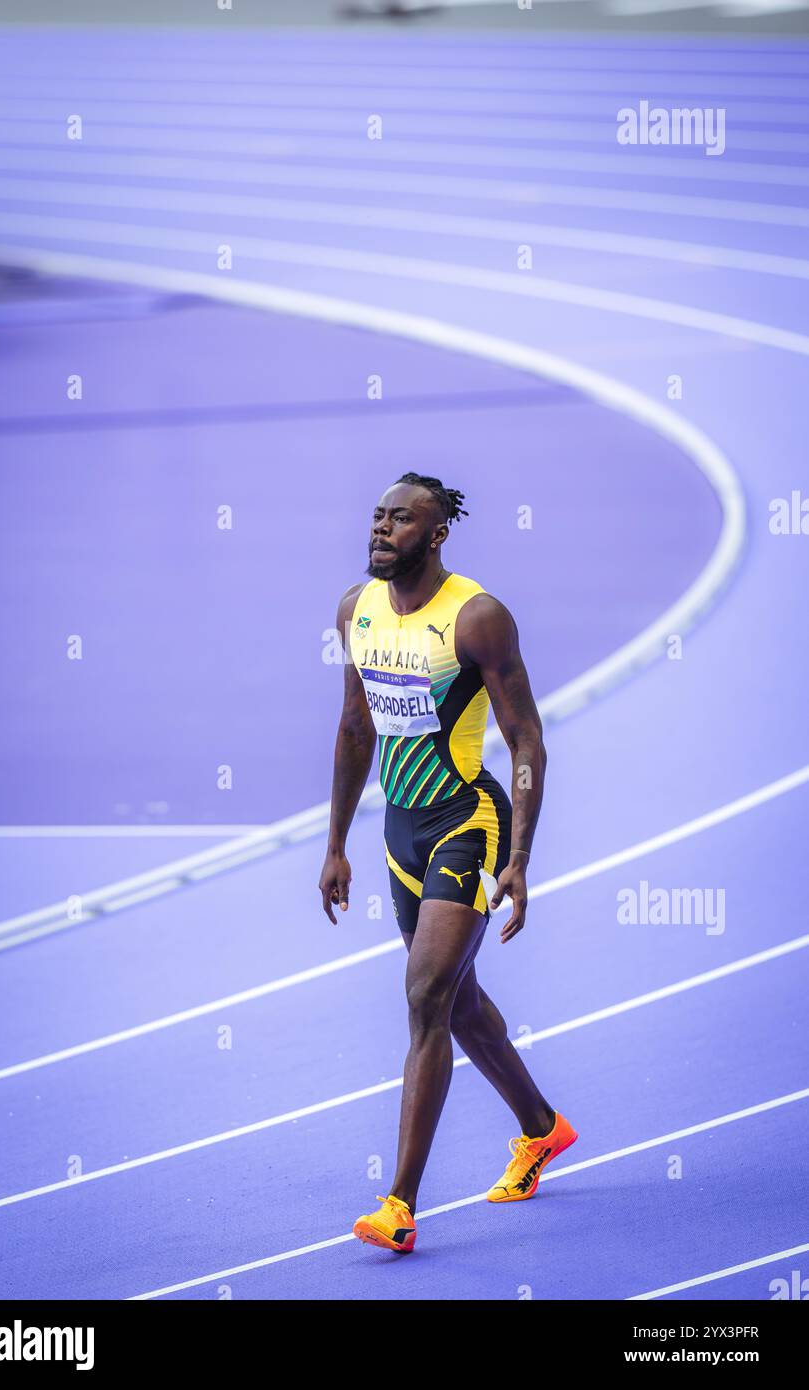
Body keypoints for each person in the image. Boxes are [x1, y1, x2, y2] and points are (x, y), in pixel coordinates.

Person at [319, 472, 577, 1253]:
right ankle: (541, 1128)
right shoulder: (355, 610)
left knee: (426, 995)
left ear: (437, 535)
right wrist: (334, 844)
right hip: (399, 833)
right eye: (377, 517)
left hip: (469, 821)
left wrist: (521, 858)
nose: (382, 530)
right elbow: (356, 728)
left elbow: (526, 737)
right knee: (458, 1006)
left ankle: (398, 1205)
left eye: (401, 520)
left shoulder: (476, 618)